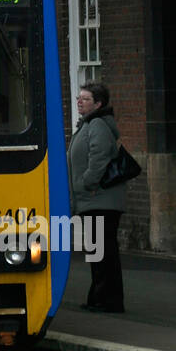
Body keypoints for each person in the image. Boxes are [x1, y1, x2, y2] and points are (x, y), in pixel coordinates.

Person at [67, 82, 125, 313]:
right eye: (79, 98)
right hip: (93, 200)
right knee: (98, 252)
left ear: (98, 104)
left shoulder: (98, 125)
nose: (80, 102)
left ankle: (108, 301)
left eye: (86, 99)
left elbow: (99, 158)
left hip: (100, 199)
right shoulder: (88, 124)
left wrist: (85, 184)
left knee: (103, 253)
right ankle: (99, 298)